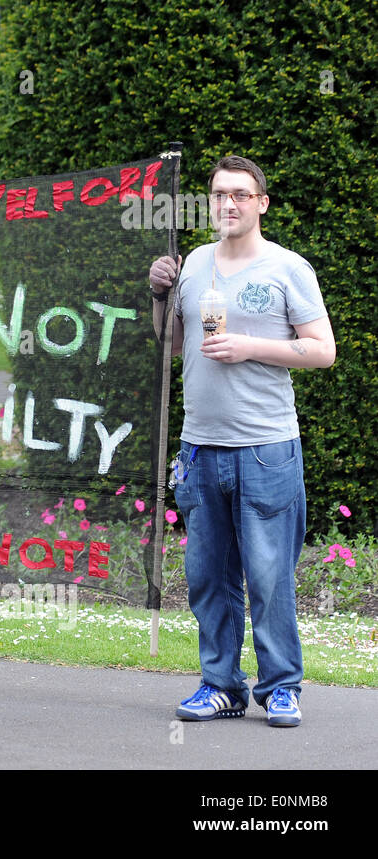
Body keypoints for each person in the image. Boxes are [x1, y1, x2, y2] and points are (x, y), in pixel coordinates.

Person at [149, 155, 335, 727]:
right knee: (207, 576)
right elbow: (171, 344)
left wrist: (249, 346)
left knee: (269, 574)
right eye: (218, 194)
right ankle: (221, 685)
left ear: (261, 203)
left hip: (265, 447)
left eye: (240, 194)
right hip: (200, 446)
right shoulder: (193, 266)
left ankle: (281, 687)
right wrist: (159, 297)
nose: (227, 204)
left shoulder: (287, 268)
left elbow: (322, 350)